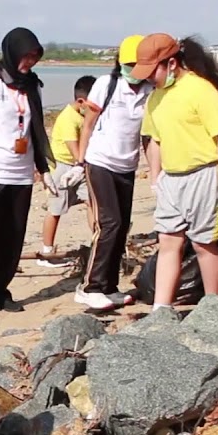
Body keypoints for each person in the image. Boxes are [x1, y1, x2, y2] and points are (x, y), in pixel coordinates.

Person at [132, 34, 218, 309]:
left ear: (171, 63)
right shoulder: (155, 98)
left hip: (204, 174)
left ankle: (214, 306)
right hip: (172, 178)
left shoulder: (200, 90)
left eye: (152, 71)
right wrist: (155, 177)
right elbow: (154, 140)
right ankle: (161, 308)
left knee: (204, 244)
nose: (149, 78)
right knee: (167, 240)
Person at [0, 27, 58, 322]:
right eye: (26, 56)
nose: (29, 62)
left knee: (14, 235)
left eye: (34, 57)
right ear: (12, 52)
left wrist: (44, 170)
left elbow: (34, 131)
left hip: (20, 175)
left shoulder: (33, 86)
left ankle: (1, 292)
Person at [64, 34, 155, 310]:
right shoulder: (107, 84)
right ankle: (90, 286)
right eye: (129, 63)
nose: (134, 69)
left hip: (127, 166)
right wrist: (80, 161)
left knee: (122, 225)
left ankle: (109, 286)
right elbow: (88, 124)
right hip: (100, 162)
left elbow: (147, 136)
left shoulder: (149, 90)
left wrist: (154, 172)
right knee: (109, 223)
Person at [37, 75, 96, 267]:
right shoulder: (68, 118)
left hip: (81, 166)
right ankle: (47, 251)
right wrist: (81, 164)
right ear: (81, 101)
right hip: (63, 167)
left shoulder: (85, 116)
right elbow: (74, 148)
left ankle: (98, 239)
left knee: (91, 201)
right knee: (56, 208)